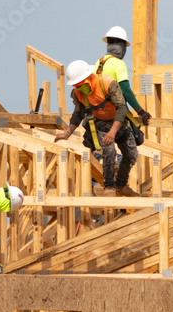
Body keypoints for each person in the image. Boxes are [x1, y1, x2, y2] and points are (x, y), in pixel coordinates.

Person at [54, 60, 139, 197]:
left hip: (120, 123)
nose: (79, 88)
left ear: (89, 77)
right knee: (109, 151)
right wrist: (67, 133)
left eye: (81, 85)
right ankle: (109, 187)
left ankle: (121, 185)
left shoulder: (108, 83)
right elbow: (78, 114)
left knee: (131, 155)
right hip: (101, 124)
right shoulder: (78, 93)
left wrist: (113, 131)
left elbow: (122, 108)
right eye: (76, 86)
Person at [96, 25, 151, 133]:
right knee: (135, 137)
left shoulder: (99, 63)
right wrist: (140, 111)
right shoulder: (119, 64)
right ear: (121, 46)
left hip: (99, 113)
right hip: (114, 113)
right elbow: (125, 90)